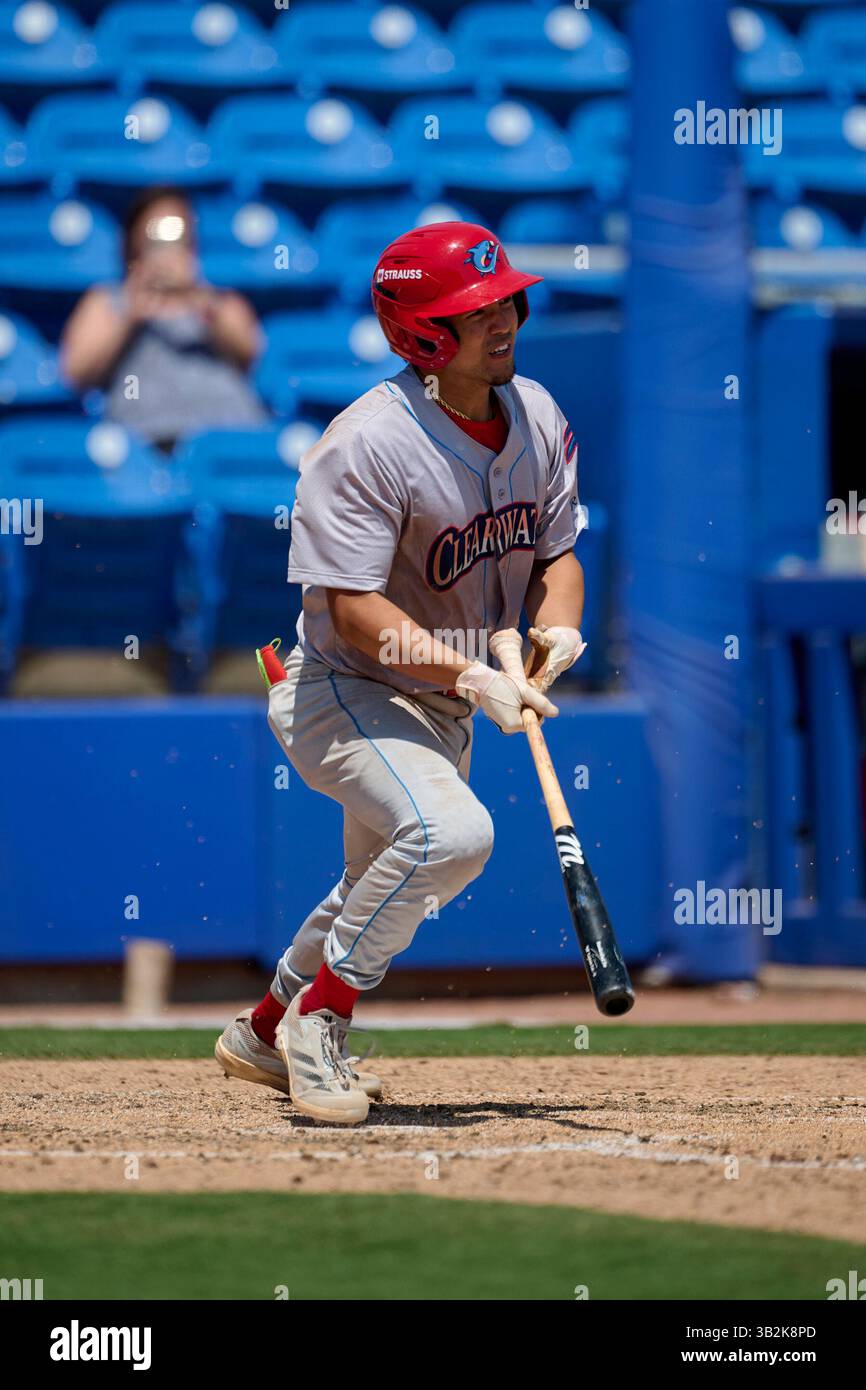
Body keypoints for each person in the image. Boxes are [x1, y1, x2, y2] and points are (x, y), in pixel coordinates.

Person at [214, 221, 587, 1124]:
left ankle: (262, 1029)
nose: (503, 320)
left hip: (438, 703)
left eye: (508, 301)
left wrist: (559, 630)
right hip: (343, 691)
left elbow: (557, 556)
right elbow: (353, 613)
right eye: (476, 309)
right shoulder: (368, 442)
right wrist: (471, 675)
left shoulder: (536, 416)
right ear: (422, 332)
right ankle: (321, 1023)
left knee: (383, 876)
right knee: (451, 836)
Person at [61, 186, 268, 451]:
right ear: (134, 240)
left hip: (230, 438)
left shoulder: (216, 301)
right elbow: (77, 372)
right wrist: (130, 313)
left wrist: (198, 297)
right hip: (149, 441)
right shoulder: (107, 300)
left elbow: (250, 352)